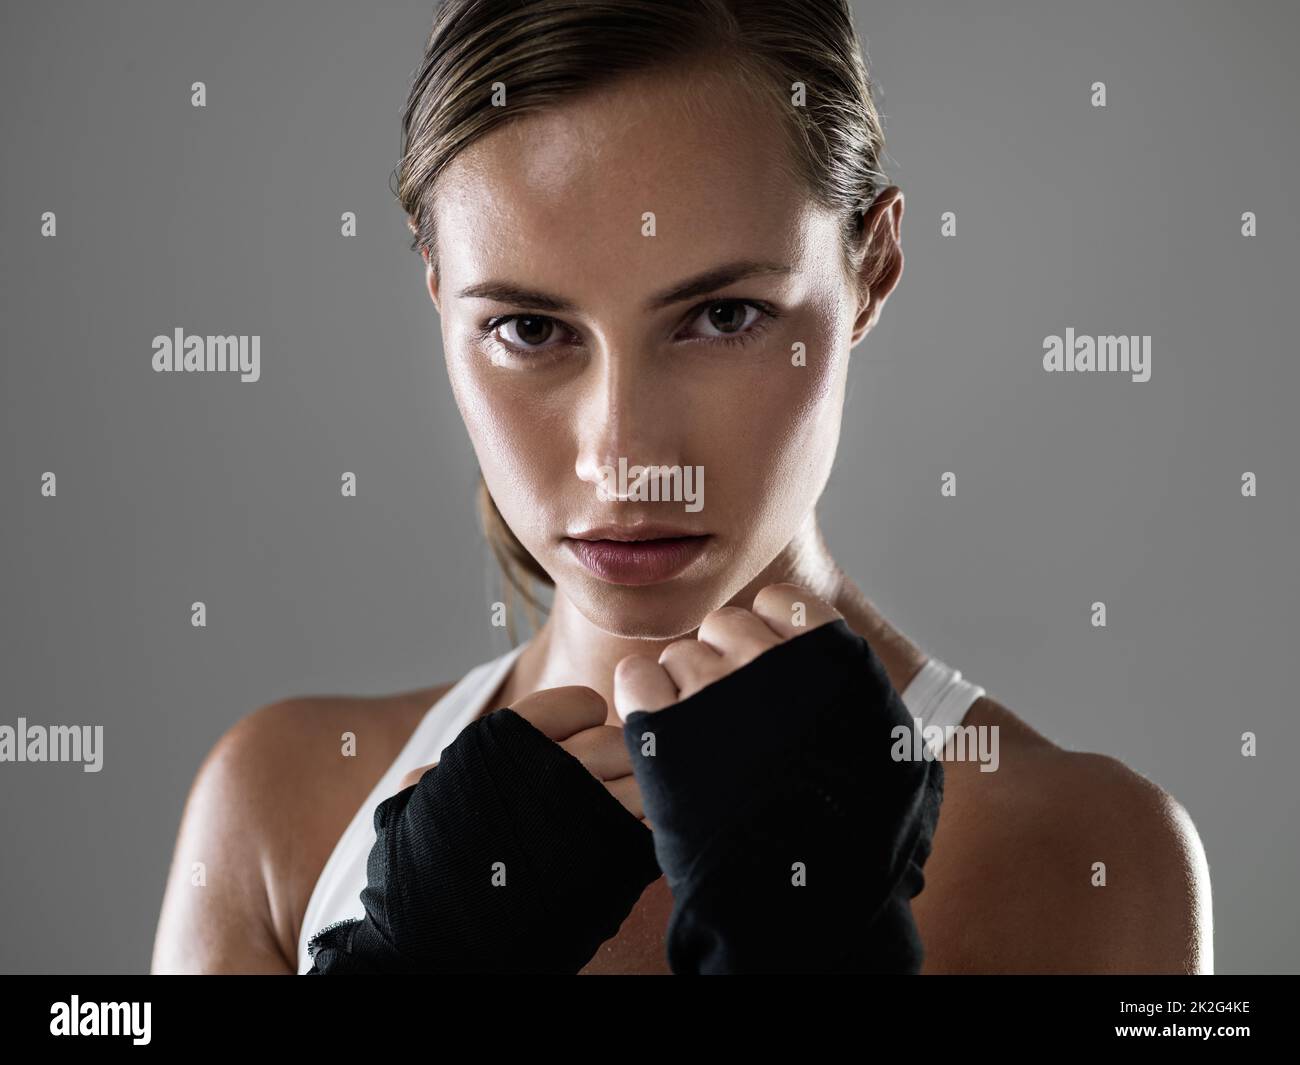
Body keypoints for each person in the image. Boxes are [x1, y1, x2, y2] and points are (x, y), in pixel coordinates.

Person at [151, 0, 1212, 975]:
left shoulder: (1084, 850)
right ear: (438, 294)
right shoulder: (283, 805)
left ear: (870, 270)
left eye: (723, 317)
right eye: (529, 329)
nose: (623, 455)